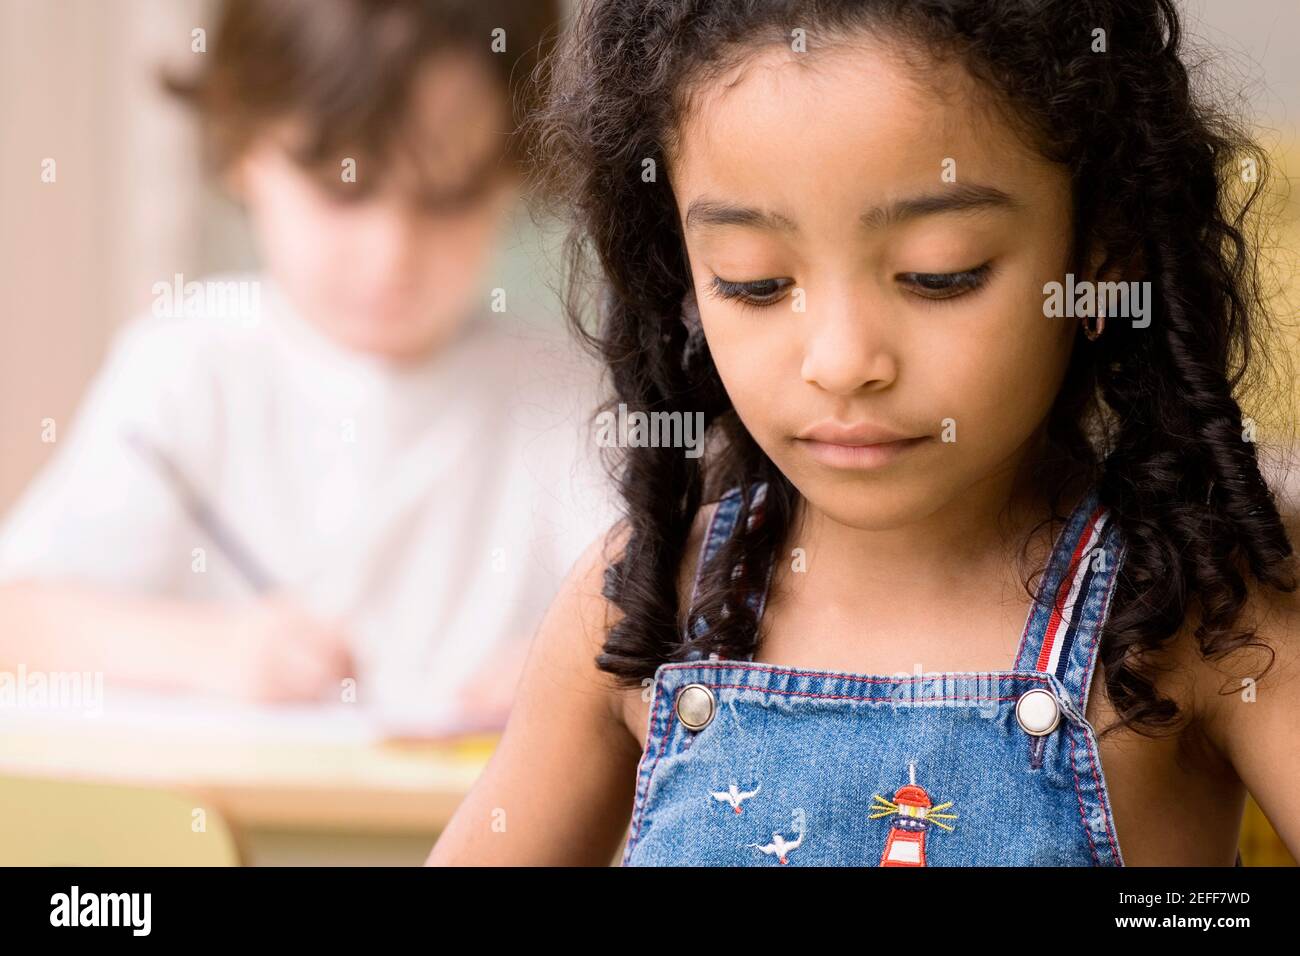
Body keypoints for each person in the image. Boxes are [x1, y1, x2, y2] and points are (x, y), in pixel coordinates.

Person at [427, 0, 1300, 864]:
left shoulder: (1202, 609)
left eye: (939, 275)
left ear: (1101, 256)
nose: (842, 363)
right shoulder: (648, 606)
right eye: (755, 283)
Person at [0, 0, 616, 730]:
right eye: (343, 189)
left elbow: (675, 621)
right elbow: (19, 620)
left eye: (449, 197)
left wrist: (578, 671)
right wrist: (214, 651)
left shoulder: (568, 394)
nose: (392, 253)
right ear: (239, 147)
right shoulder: (190, 366)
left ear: (516, 172)